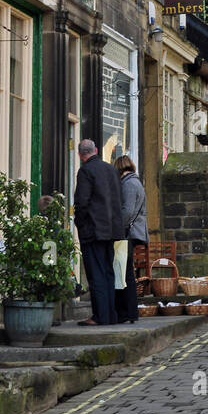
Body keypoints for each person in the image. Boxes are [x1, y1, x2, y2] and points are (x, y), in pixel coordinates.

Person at [73, 139, 125, 326]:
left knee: (96, 275)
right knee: (108, 272)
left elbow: (82, 203)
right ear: (95, 150)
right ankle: (110, 315)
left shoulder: (86, 171)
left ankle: (100, 316)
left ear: (80, 155)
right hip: (111, 230)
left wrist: (80, 225)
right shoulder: (111, 169)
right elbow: (119, 199)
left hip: (93, 231)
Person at [114, 155, 147, 324]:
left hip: (127, 233)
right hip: (133, 233)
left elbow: (127, 212)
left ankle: (126, 312)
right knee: (126, 272)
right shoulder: (135, 182)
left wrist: (116, 228)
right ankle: (130, 312)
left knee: (122, 273)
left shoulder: (128, 184)